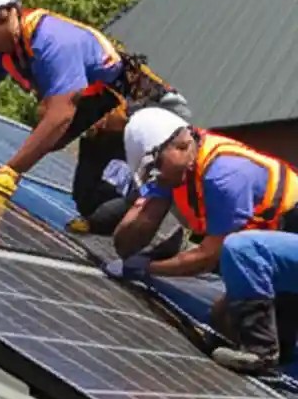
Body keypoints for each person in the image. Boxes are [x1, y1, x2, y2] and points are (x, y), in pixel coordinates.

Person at [0, 0, 190, 235]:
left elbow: (61, 115)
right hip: (103, 111)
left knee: (145, 186)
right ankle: (135, 211)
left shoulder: (53, 41)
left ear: (7, 16)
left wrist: (12, 171)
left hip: (152, 113)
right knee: (93, 207)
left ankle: (163, 218)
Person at [105, 107, 298, 282]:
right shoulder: (175, 161)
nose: (157, 179)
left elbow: (206, 258)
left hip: (290, 229)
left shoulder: (223, 178)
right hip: (257, 235)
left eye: (154, 170)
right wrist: (127, 250)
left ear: (181, 147)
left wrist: (148, 268)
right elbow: (146, 214)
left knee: (232, 314)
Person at [207, 230, 298, 374]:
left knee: (242, 249)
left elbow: (202, 258)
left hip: (249, 251)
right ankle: (282, 346)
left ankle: (261, 352)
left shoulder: (240, 250)